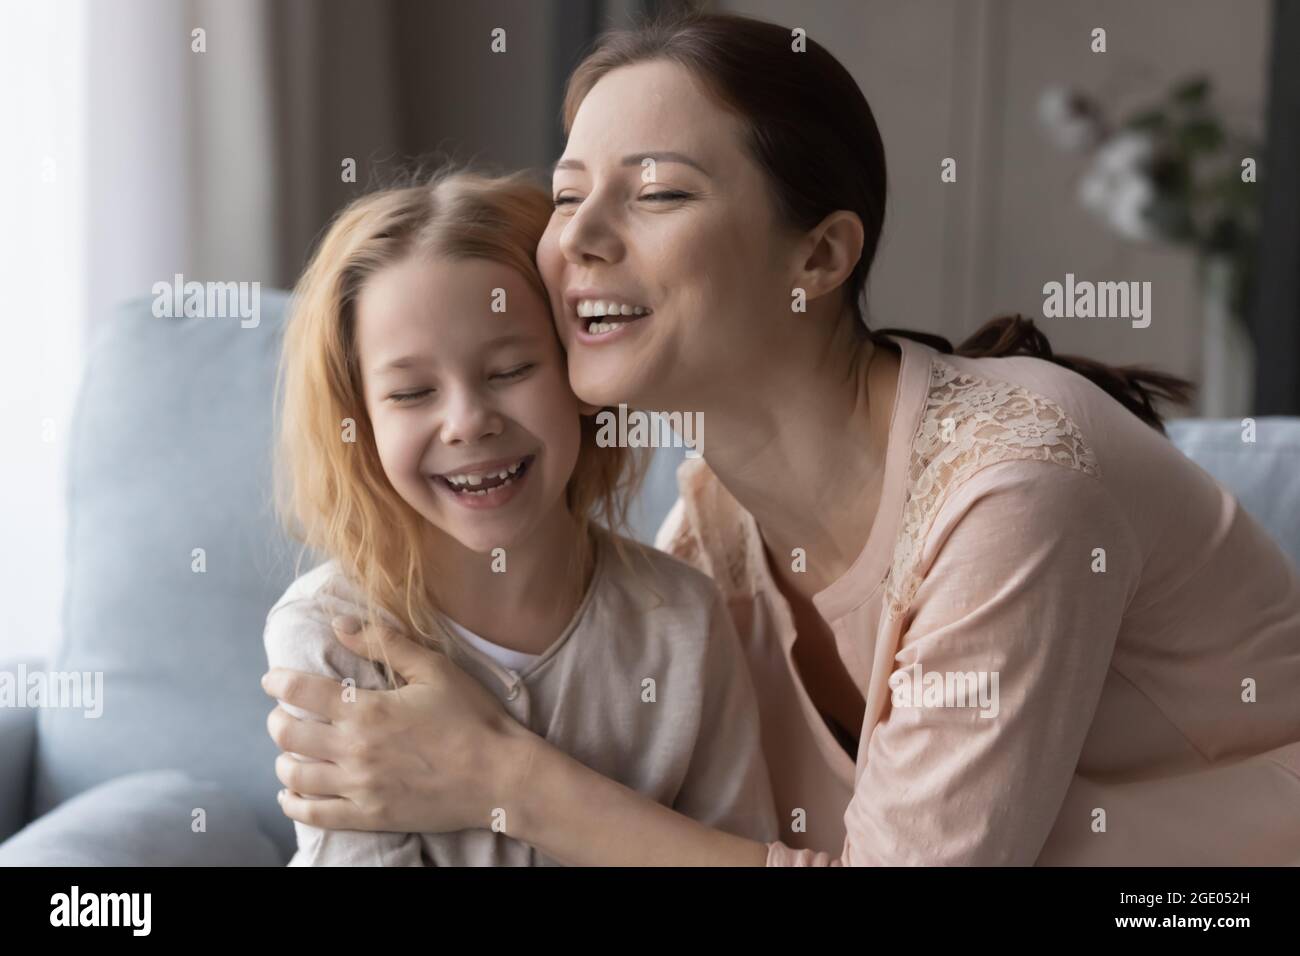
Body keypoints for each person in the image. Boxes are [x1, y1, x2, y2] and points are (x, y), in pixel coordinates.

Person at [263, 12, 1300, 866]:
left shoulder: (1014, 488)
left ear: (818, 256)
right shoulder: (713, 536)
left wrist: (502, 777)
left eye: (658, 191)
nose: (573, 237)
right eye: (570, 193)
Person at [263, 166, 778, 865]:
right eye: (412, 392)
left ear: (581, 373)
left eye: (509, 371)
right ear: (359, 422)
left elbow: (732, 852)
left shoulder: (683, 621)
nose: (468, 422)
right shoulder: (330, 638)